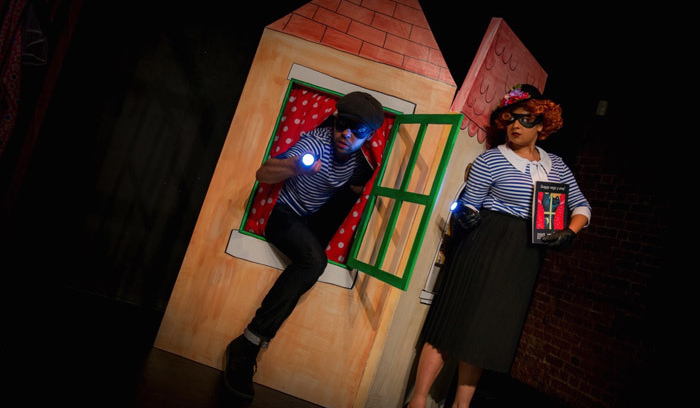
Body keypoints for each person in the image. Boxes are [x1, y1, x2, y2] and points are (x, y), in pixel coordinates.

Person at [406, 84, 591, 408]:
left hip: (524, 255)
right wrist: (464, 216)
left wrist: (569, 232)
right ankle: (418, 401)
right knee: (453, 320)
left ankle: (461, 406)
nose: (515, 125)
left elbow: (582, 207)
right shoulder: (491, 160)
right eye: (510, 118)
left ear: (541, 125)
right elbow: (470, 204)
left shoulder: (557, 166)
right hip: (484, 244)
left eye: (525, 119)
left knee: (485, 333)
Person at [223, 91, 385, 401]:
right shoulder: (315, 144)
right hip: (281, 213)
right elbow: (263, 173)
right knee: (314, 262)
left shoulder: (358, 164)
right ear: (335, 121)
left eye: (357, 130)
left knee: (317, 257)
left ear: (369, 137)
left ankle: (249, 343)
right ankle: (248, 344)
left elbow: (352, 197)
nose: (346, 134)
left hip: (308, 220)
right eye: (342, 125)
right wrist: (296, 166)